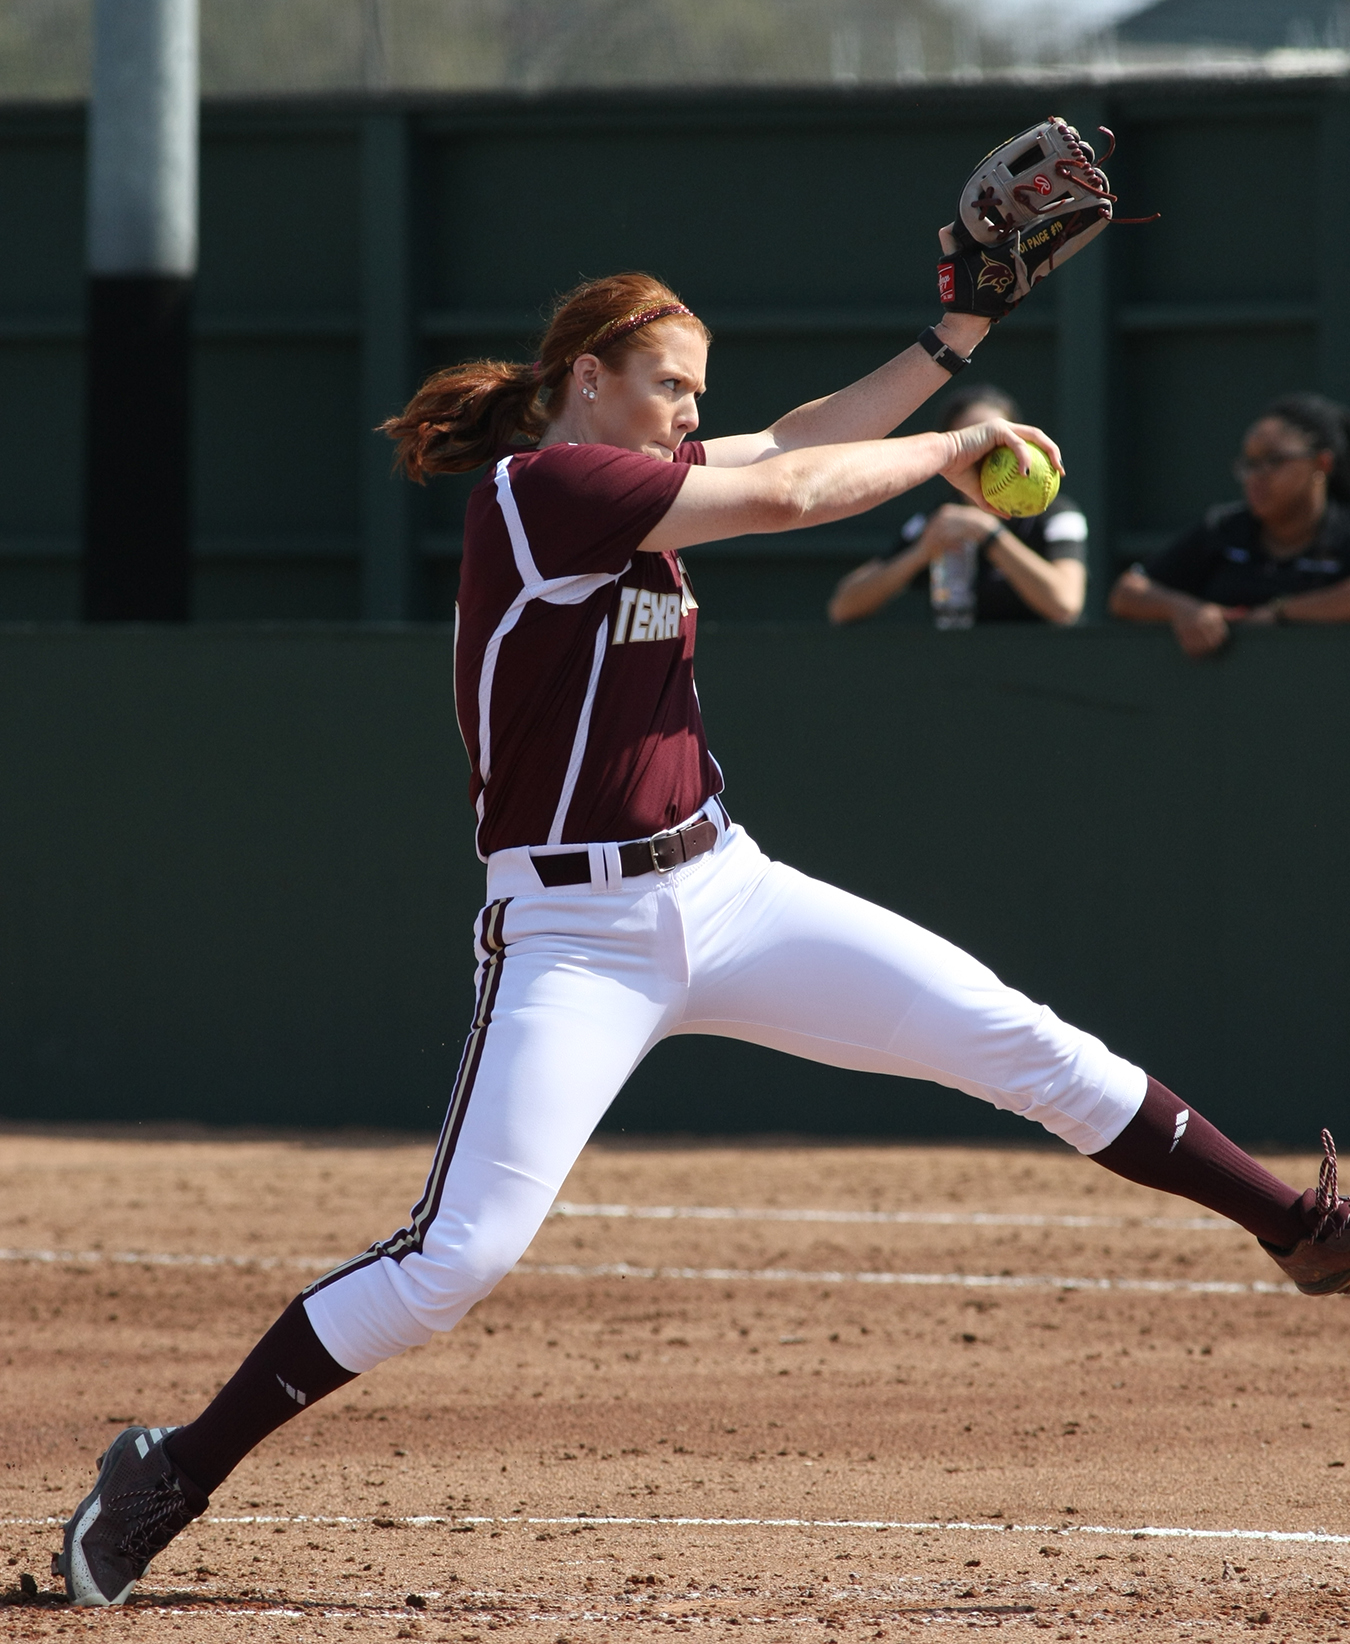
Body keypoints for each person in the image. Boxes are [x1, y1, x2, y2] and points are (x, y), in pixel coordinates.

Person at [53, 272, 1350, 1610]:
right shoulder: (543, 492)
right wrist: (956, 448)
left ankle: (1299, 1229)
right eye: (669, 384)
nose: (688, 412)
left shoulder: (641, 470)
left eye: (695, 395)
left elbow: (800, 439)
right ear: (586, 377)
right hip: (571, 930)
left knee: (1015, 1038)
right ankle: (171, 1471)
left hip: (724, 888)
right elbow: (794, 494)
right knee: (459, 1258)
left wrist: (954, 335)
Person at [1109, 393, 1350, 658]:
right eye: (1250, 463)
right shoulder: (1223, 529)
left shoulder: (1343, 532)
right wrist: (1184, 609)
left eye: (1274, 460)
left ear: (1322, 464)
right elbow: (1126, 594)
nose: (1256, 477)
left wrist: (1280, 611)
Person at [827, 384, 1087, 627]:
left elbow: (1065, 605)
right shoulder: (941, 518)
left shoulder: (1056, 514)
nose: (984, 454)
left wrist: (990, 535)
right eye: (972, 442)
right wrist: (922, 552)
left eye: (994, 441)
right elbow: (843, 606)